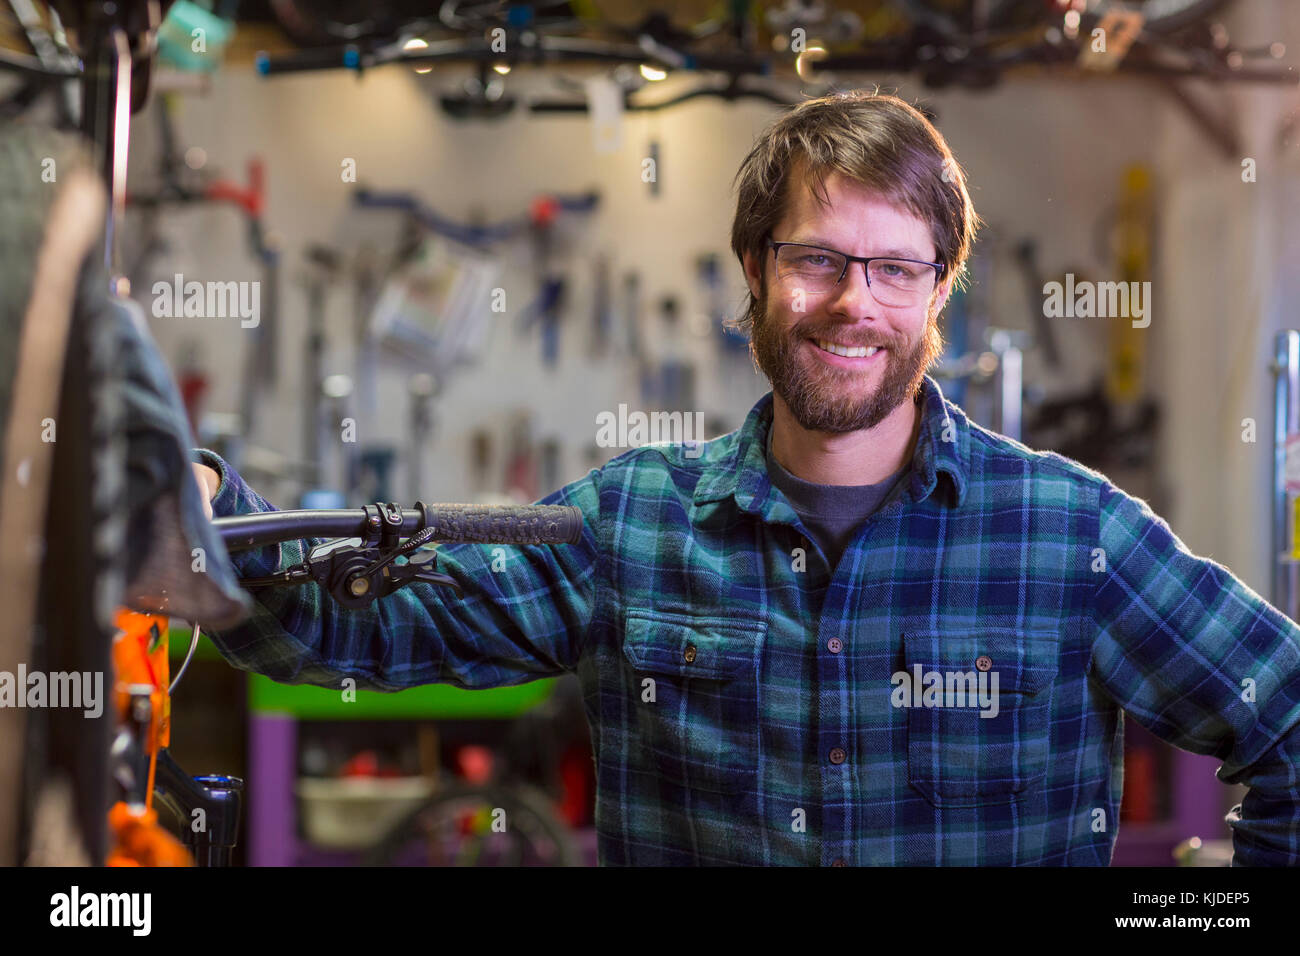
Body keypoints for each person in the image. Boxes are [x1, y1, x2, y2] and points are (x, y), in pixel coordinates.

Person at [191, 90, 1300, 866]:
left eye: (894, 268)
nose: (850, 300)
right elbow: (357, 634)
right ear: (755, 270)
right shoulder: (628, 523)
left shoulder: (1073, 534)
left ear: (935, 293)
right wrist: (203, 519)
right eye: (815, 257)